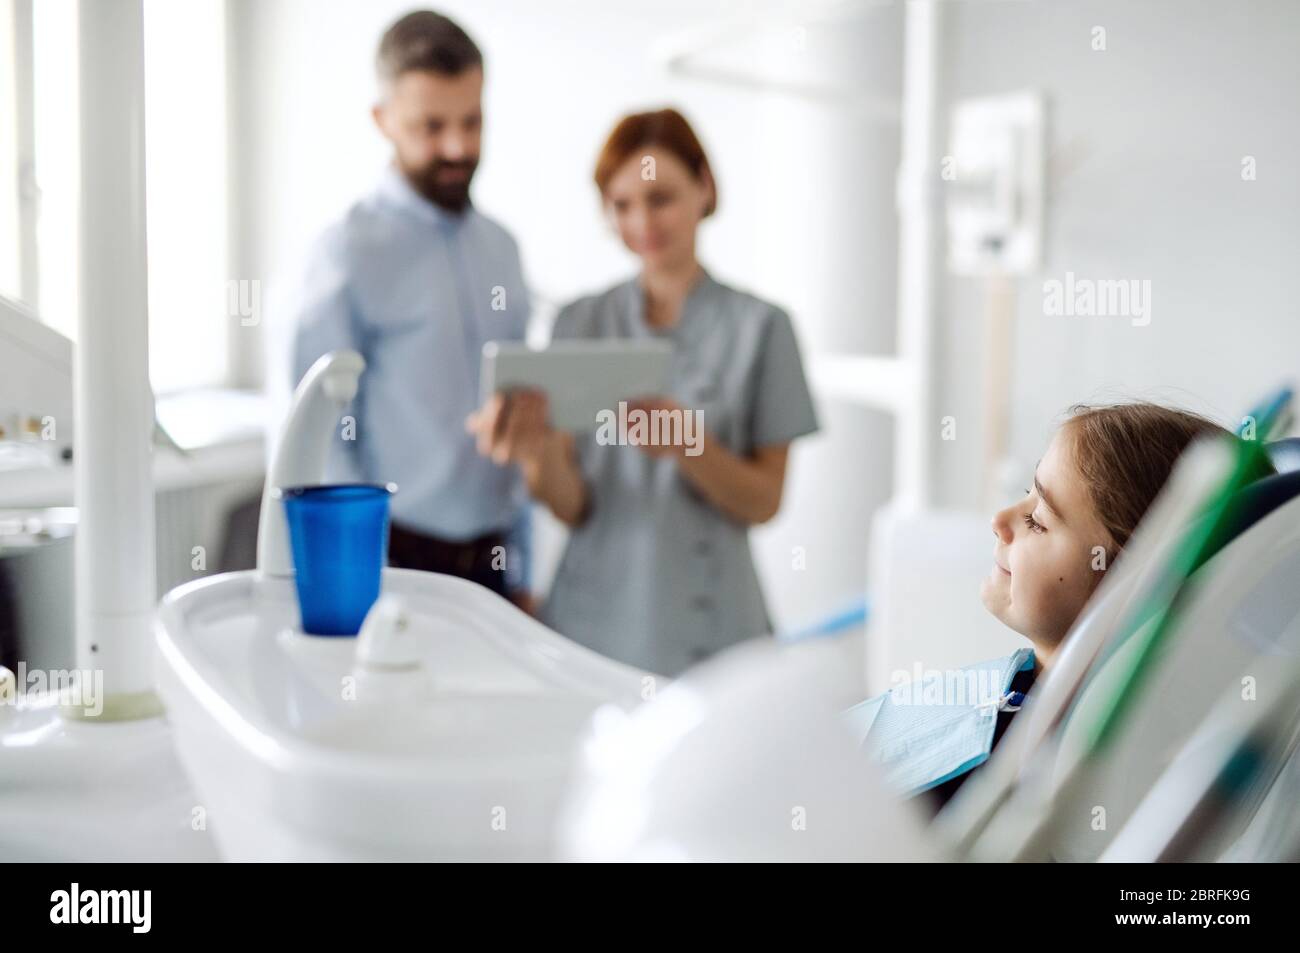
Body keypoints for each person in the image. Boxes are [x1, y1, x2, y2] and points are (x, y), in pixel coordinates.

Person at [467, 109, 819, 676]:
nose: (642, 222)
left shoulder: (764, 328)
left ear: (704, 188)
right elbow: (571, 505)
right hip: (589, 624)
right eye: (621, 204)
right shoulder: (577, 323)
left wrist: (690, 446)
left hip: (713, 631)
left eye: (660, 198)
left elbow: (764, 501)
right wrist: (535, 453)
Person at [849, 401, 1273, 812]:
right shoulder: (1022, 702)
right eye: (1026, 493)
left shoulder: (1010, 783)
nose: (1001, 519)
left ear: (1125, 583)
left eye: (1038, 519)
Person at [289, 10, 532, 601]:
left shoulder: (503, 248)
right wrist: (355, 572)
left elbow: (517, 419)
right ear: (383, 120)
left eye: (472, 122)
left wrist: (524, 565)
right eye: (432, 126)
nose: (458, 147)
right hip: (394, 562)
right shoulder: (346, 251)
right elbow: (317, 433)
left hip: (495, 564)